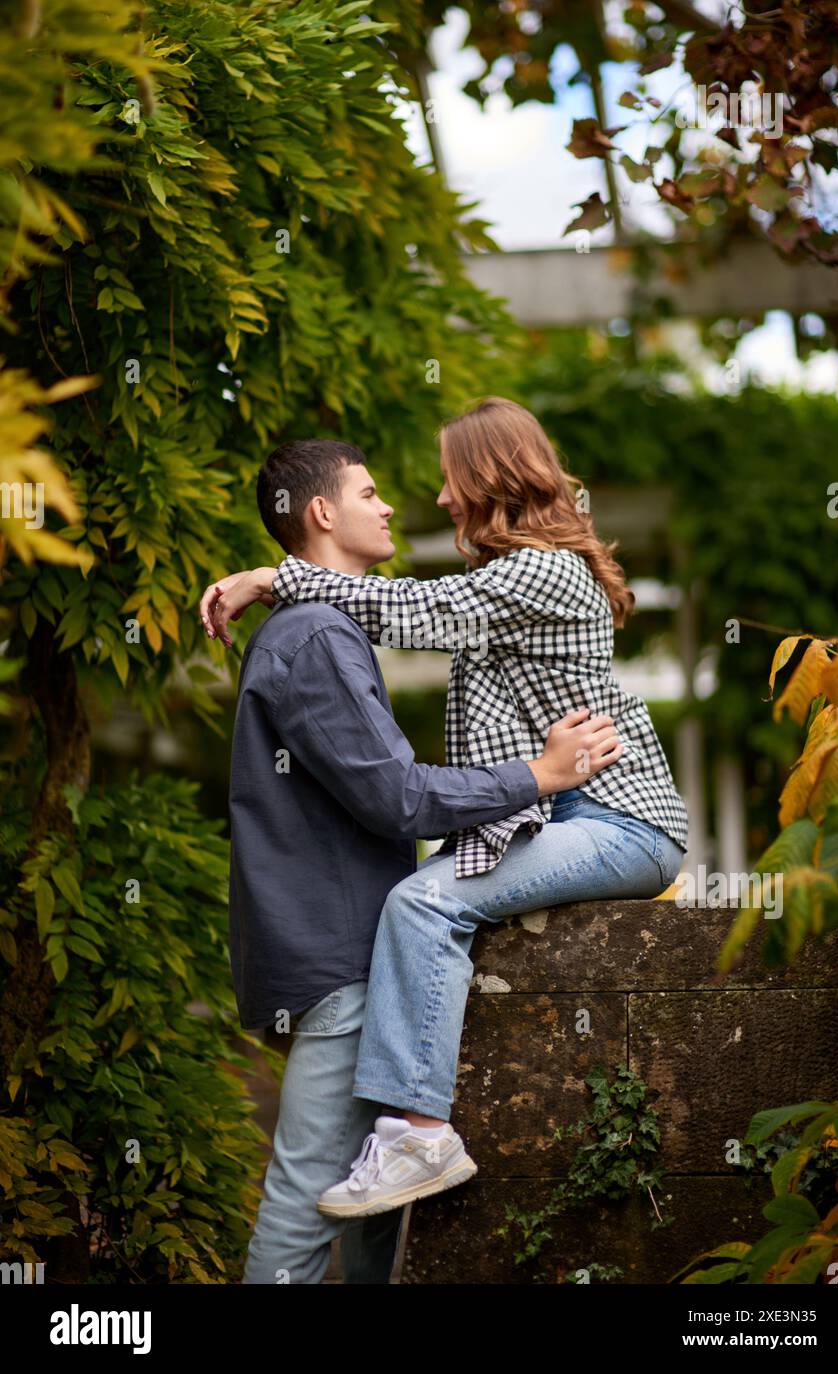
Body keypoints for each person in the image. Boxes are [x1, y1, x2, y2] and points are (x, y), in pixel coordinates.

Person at [202, 396, 687, 1223]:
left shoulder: (537, 571)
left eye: (447, 480)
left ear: (488, 478)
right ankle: (404, 1142)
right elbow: (420, 619)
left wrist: (270, 575)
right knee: (434, 896)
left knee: (422, 902)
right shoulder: (507, 580)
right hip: (570, 820)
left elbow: (406, 611)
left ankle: (421, 1133)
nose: (434, 500)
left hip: (618, 821)